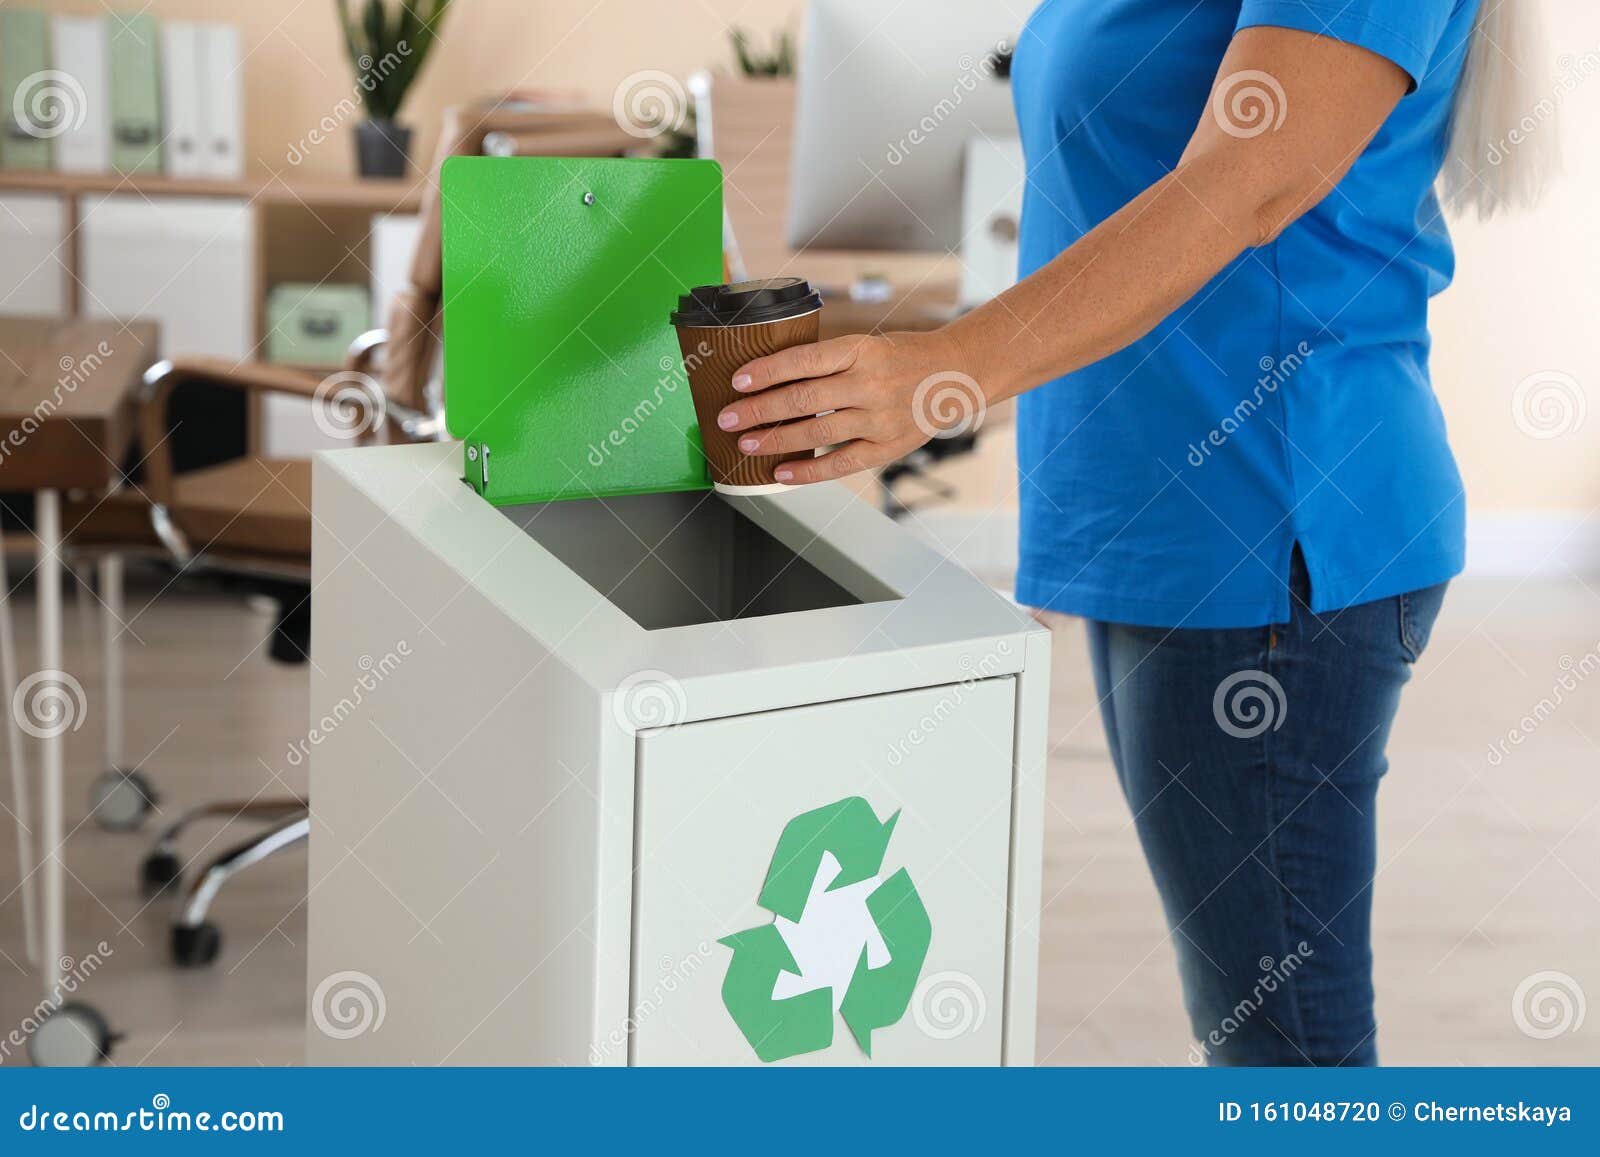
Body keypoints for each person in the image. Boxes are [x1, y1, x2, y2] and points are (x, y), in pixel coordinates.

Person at [716, 1, 1552, 1065]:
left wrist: (944, 374)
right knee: (1255, 1028)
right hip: (1159, 523)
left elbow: (1245, 184)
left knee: (1288, 1056)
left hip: (1265, 531)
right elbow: (1108, 199)